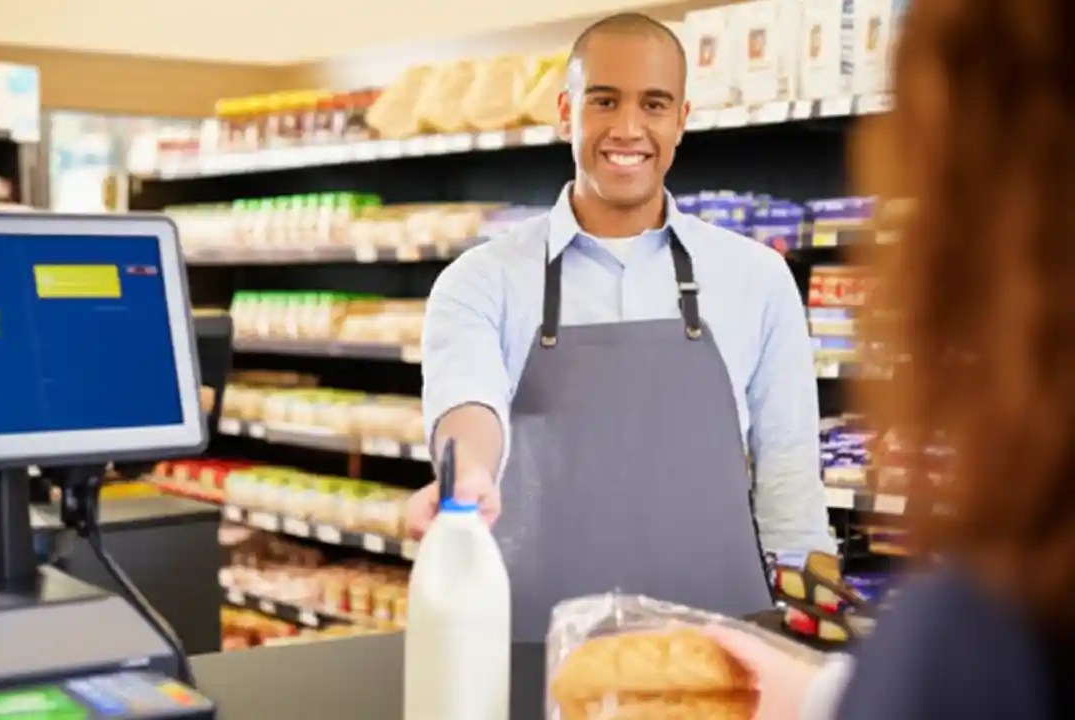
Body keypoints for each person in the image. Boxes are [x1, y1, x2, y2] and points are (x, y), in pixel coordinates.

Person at [408, 12, 835, 642]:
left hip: (720, 643)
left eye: (654, 105)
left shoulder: (757, 278)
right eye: (603, 101)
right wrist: (466, 476)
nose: (628, 129)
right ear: (565, 111)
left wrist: (812, 617)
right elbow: (467, 401)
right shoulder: (480, 280)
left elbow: (789, 469)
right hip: (538, 643)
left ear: (682, 120)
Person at [704, 0, 1075, 716]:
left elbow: (787, 477)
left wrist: (823, 637)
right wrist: (822, 690)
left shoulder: (978, 630)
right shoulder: (493, 277)